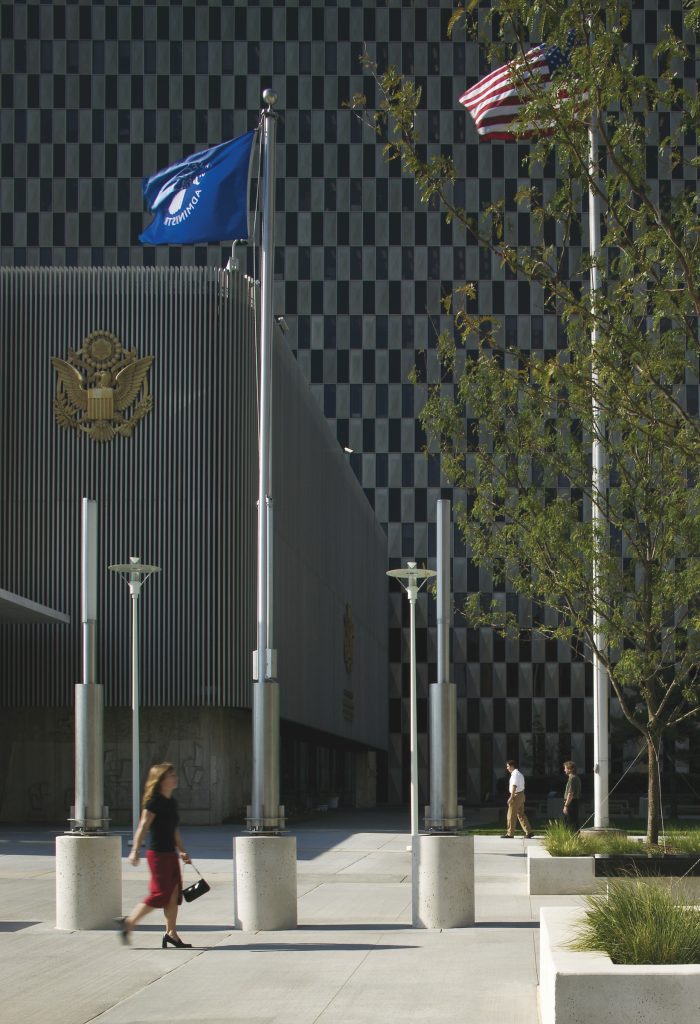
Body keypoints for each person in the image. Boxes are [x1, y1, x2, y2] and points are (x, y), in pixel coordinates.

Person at [119, 762, 192, 947]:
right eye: (171, 775)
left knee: (174, 895)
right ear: (161, 780)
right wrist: (135, 850)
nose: (175, 778)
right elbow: (143, 826)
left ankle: (171, 934)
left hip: (170, 854)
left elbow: (174, 830)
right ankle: (128, 923)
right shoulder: (155, 801)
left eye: (175, 774)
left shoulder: (171, 802)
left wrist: (182, 850)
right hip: (158, 855)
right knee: (160, 894)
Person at [501, 759, 535, 839]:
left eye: (508, 766)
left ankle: (510, 834)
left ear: (512, 766)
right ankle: (529, 832)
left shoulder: (515, 774)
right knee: (521, 814)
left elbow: (514, 786)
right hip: (521, 795)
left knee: (511, 815)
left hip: (516, 795)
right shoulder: (519, 774)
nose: (507, 768)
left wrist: (511, 797)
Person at [562, 760, 581, 831]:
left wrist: (566, 806)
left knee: (569, 823)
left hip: (571, 802)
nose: (564, 770)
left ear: (570, 769)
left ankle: (571, 838)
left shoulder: (572, 778)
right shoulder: (576, 777)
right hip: (574, 802)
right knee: (574, 821)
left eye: (565, 768)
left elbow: (570, 793)